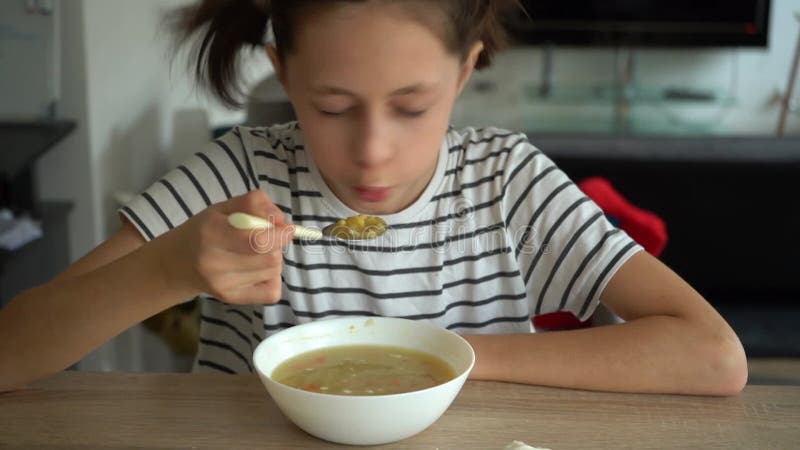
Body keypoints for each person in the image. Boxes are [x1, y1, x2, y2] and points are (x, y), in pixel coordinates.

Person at [0, 0, 747, 395]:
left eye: (413, 106)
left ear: (463, 75)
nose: (371, 152)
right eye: (331, 107)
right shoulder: (239, 175)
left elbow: (712, 358)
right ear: (283, 74)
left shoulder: (507, 183)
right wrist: (167, 268)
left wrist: (434, 357)